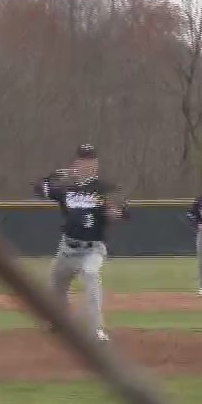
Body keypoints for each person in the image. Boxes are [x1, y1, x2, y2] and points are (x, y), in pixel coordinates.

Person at [35, 144, 126, 343]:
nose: (86, 164)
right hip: (67, 248)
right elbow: (39, 189)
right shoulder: (66, 187)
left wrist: (116, 212)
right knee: (56, 287)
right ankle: (61, 322)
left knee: (91, 275)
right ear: (76, 163)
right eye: (82, 160)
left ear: (96, 164)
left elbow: (124, 211)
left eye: (90, 160)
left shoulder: (105, 188)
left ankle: (97, 329)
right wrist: (55, 174)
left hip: (92, 248)